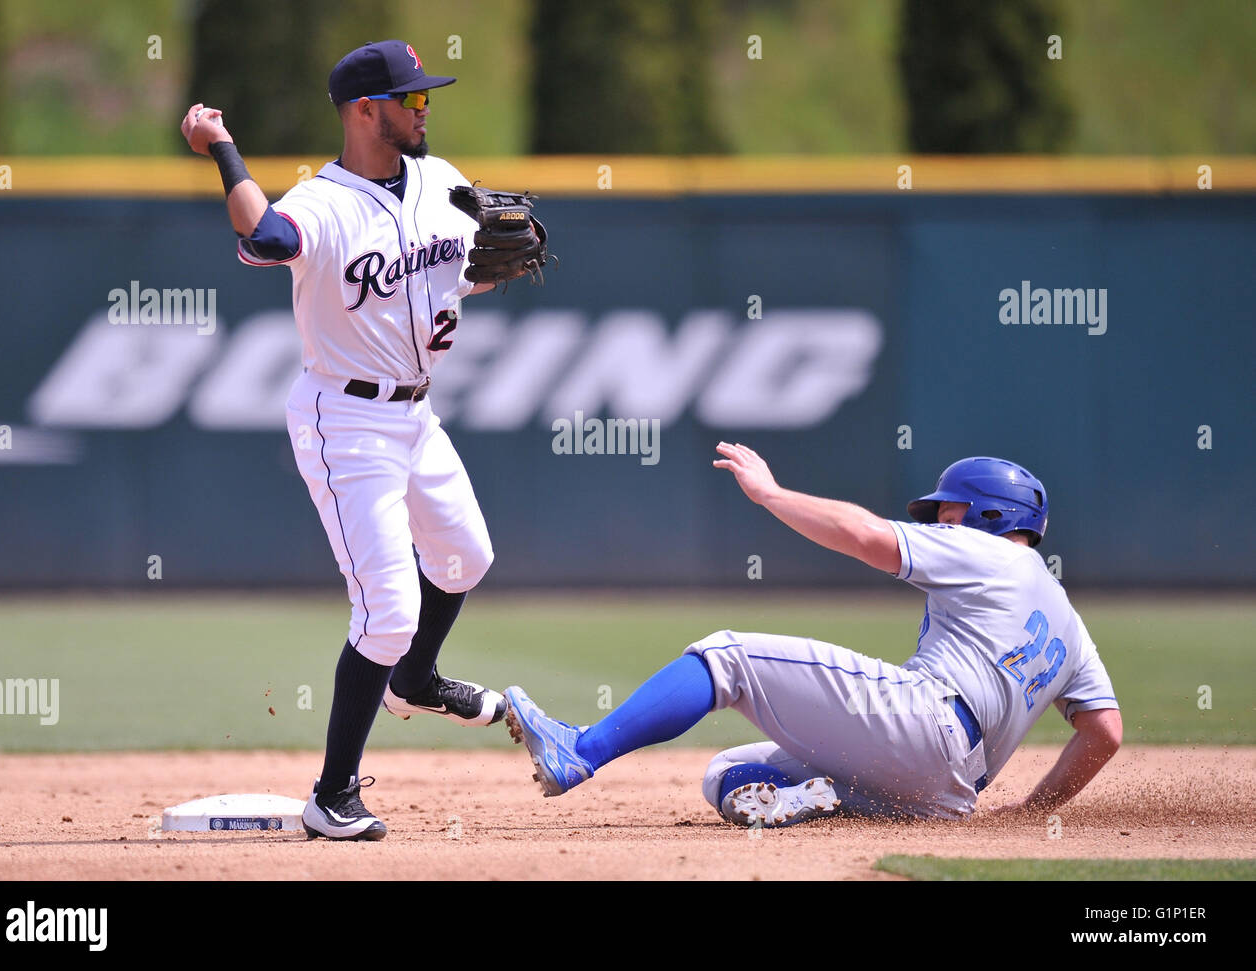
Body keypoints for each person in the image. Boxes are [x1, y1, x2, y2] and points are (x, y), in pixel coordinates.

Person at [181, 40, 539, 840]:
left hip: (415, 415)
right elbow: (267, 237)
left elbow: (463, 266)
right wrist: (222, 148)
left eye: (423, 97)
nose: (423, 108)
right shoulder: (321, 203)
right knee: (386, 610)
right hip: (345, 423)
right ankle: (332, 794)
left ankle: (413, 679)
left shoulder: (443, 181)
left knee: (467, 556)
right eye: (409, 99)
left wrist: (490, 269)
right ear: (363, 111)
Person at [504, 445, 1122, 826]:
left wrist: (771, 495)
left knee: (727, 658)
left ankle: (578, 752)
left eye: (949, 510)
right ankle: (814, 797)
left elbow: (868, 537)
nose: (940, 520)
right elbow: (1104, 732)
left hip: (925, 724)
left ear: (990, 514)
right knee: (726, 775)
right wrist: (1032, 815)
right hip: (946, 796)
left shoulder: (987, 553)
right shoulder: (1069, 621)